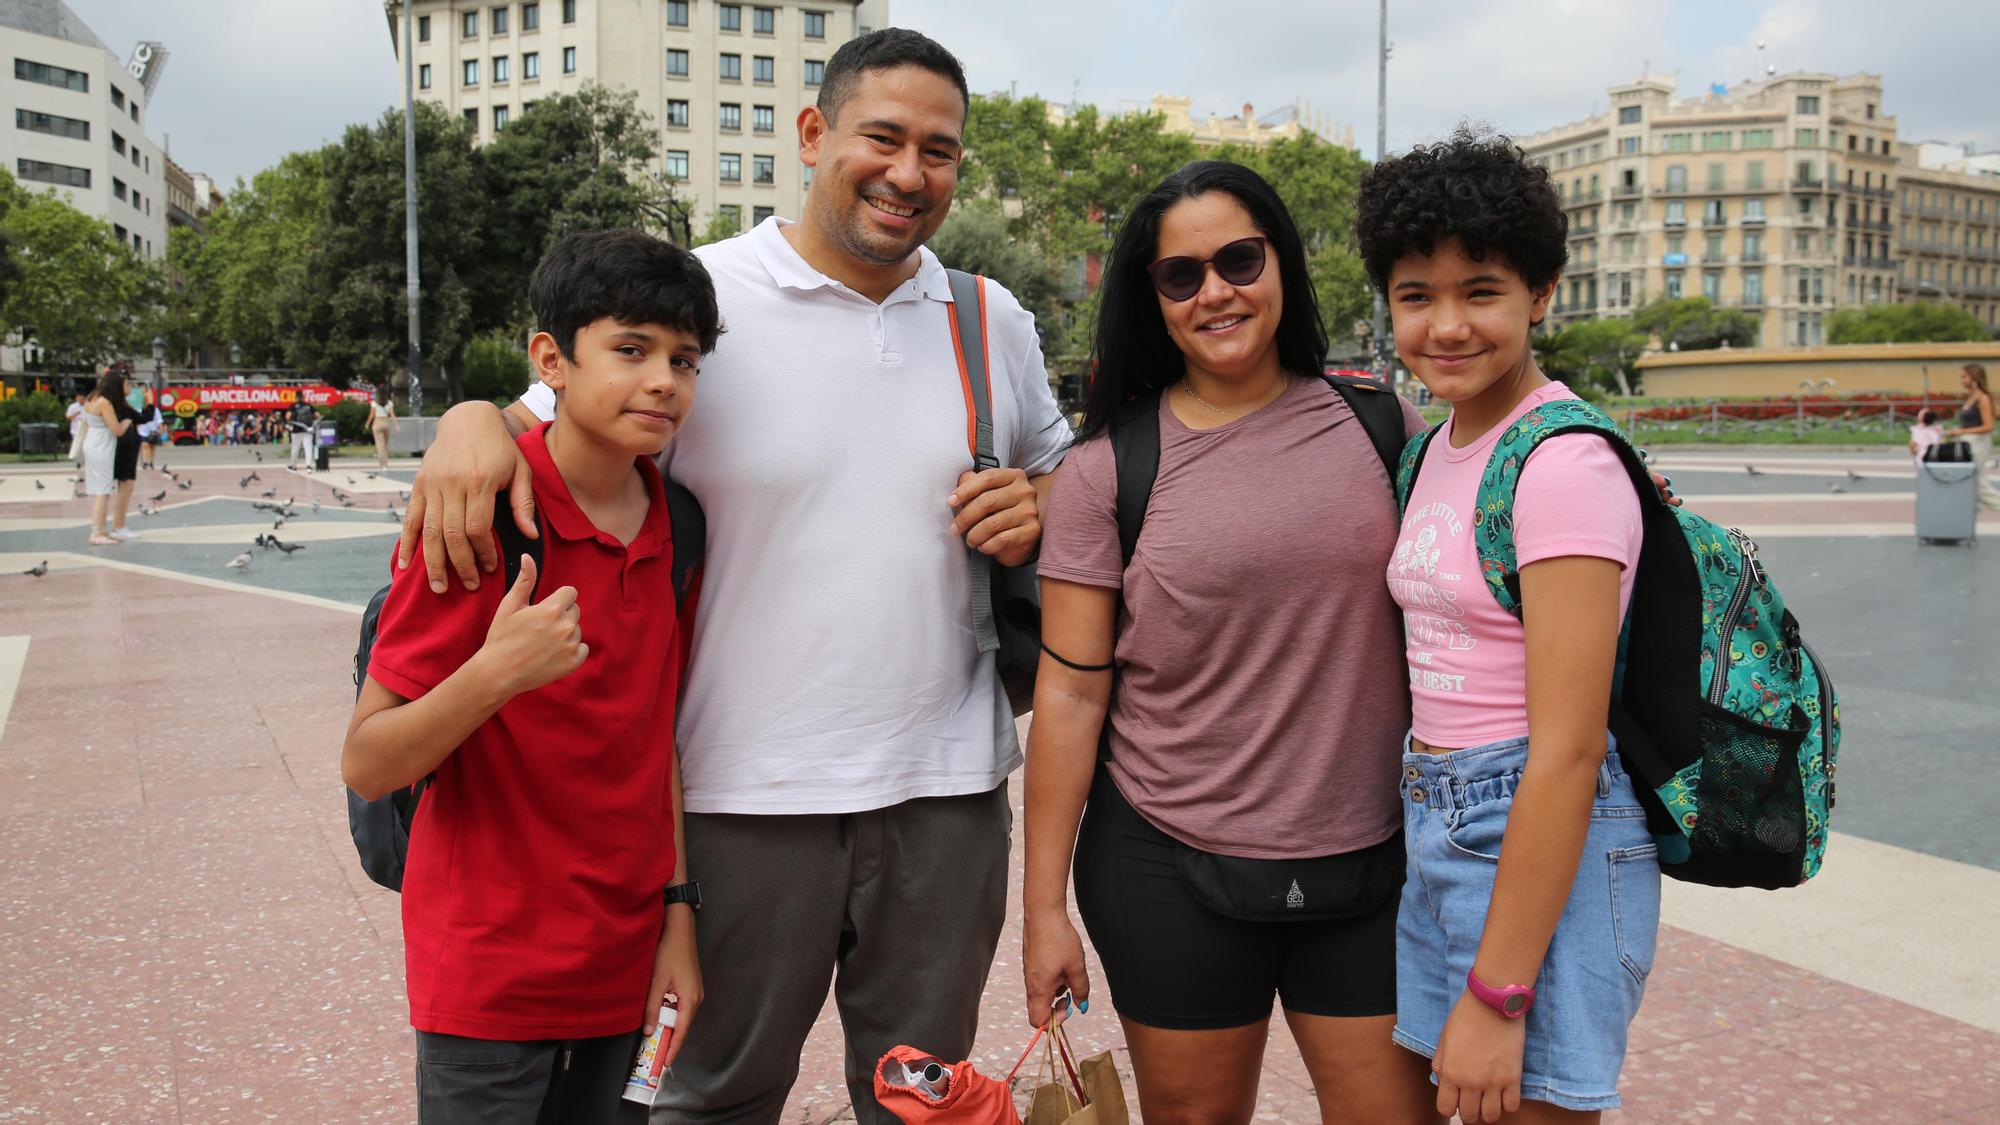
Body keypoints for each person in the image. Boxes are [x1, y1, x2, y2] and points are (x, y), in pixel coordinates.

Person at [398, 29, 1068, 1122]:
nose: (909, 173)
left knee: (922, 1102)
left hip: (944, 794)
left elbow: (1059, 473)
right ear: (811, 135)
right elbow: (540, 425)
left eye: (938, 151)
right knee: (707, 1098)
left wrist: (1042, 502)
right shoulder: (701, 303)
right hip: (737, 796)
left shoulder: (985, 318)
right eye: (881, 138)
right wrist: (468, 420)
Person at [1024, 161, 1437, 1124]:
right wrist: (1043, 909)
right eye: (1181, 275)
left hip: (1378, 859)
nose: (1216, 291)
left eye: (1239, 259)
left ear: (1282, 265)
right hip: (1167, 861)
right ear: (1154, 300)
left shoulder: (1383, 426)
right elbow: (1073, 694)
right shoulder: (1104, 473)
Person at [342, 229, 720, 1124]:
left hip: (626, 960)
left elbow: (653, 735)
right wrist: (496, 673)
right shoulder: (481, 520)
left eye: (685, 358)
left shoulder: (681, 524)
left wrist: (677, 917)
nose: (664, 380)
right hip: (490, 968)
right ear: (550, 358)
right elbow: (368, 760)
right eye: (630, 349)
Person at [1357, 128, 1659, 1123]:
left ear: (1539, 294)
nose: (1444, 325)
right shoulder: (1435, 445)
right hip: (1440, 825)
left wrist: (1498, 992)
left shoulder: (1560, 463)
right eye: (1414, 295)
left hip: (1537, 841)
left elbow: (1567, 751)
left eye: (1478, 290)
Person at [80, 376, 130, 546]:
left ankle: (102, 530)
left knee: (101, 489)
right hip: (102, 447)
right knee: (102, 492)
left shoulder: (90, 399)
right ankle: (96, 533)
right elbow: (117, 430)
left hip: (92, 443)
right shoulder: (104, 403)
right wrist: (127, 421)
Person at [1942, 362, 1999, 511]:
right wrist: (1955, 431)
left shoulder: (1983, 398)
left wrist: (1960, 432)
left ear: (1974, 378)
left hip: (1978, 443)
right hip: (1967, 441)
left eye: (1964, 376)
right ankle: (1969, 510)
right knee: (1974, 479)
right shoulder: (1971, 398)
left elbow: (1989, 426)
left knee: (1974, 480)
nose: (1961, 380)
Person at [107, 382, 143, 540]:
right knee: (125, 487)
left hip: (128, 449)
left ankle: (118, 525)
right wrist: (148, 403)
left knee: (125, 488)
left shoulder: (120, 405)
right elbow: (142, 417)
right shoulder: (118, 406)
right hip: (124, 451)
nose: (131, 387)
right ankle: (118, 526)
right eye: (127, 384)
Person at [368, 385, 399, 470]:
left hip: (377, 423)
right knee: (385, 445)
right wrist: (397, 425)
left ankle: (382, 465)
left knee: (379, 445)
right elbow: (392, 415)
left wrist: (367, 423)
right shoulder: (389, 403)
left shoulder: (374, 403)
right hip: (386, 423)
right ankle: (386, 464)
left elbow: (372, 415)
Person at [289, 399, 318, 469]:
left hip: (296, 429)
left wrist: (289, 422)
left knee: (295, 448)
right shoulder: (309, 406)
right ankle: (308, 465)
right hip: (308, 429)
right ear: (303, 397)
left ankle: (293, 465)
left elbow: (287, 416)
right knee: (308, 447)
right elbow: (318, 415)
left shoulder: (293, 406)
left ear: (296, 397)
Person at [65, 389, 87, 465]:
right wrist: (75, 414)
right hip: (75, 428)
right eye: (79, 399)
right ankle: (77, 460)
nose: (81, 400)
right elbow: (68, 417)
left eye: (82, 399)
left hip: (85, 428)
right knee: (77, 444)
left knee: (84, 444)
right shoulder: (73, 406)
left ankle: (84, 459)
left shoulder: (88, 405)